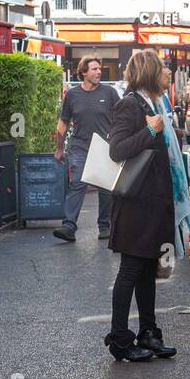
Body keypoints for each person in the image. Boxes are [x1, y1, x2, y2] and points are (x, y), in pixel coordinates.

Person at [104, 48, 190, 363]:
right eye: (162, 67)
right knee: (129, 270)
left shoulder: (154, 104)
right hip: (135, 205)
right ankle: (120, 340)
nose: (167, 72)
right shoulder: (128, 105)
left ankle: (149, 333)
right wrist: (150, 130)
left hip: (153, 204)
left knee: (146, 272)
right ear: (149, 73)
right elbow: (118, 150)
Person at [55, 57, 121, 242]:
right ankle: (68, 225)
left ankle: (104, 226)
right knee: (77, 182)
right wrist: (59, 148)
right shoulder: (73, 95)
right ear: (83, 72)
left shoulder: (110, 92)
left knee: (106, 188)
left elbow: (122, 115)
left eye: (99, 69)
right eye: (94, 69)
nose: (99, 72)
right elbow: (63, 123)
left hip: (105, 147)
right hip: (79, 147)